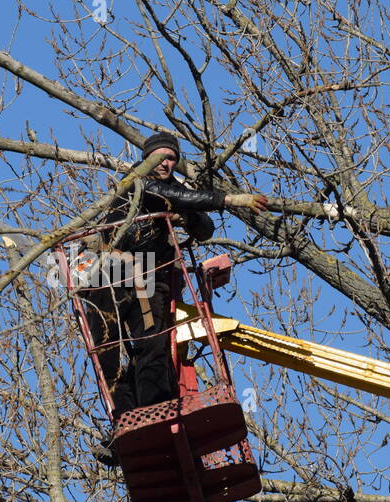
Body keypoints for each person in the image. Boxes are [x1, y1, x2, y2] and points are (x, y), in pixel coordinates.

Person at [83, 132, 268, 466]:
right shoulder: (136, 180)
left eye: (171, 158)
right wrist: (228, 200)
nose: (166, 163)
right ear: (148, 158)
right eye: (160, 157)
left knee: (153, 346)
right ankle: (125, 424)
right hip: (107, 276)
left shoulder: (175, 193)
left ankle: (153, 417)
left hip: (146, 279)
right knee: (108, 355)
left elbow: (205, 227)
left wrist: (190, 215)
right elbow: (167, 193)